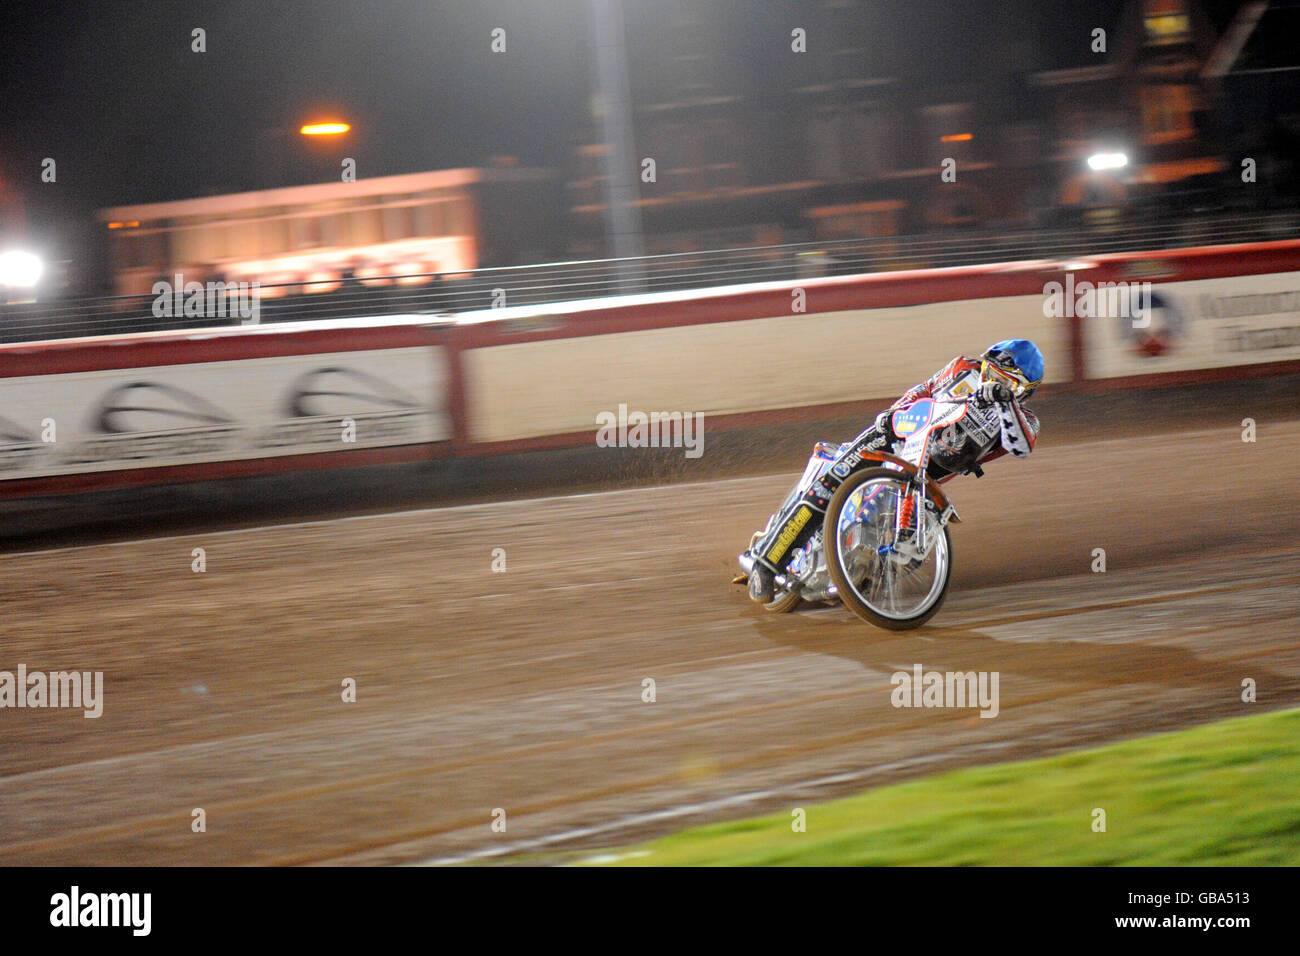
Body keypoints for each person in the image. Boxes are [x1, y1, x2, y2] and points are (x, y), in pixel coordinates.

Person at [747, 338, 1044, 603]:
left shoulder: (1024, 420)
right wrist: (892, 415)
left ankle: (862, 575)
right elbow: (923, 389)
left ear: (1025, 393)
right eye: (992, 376)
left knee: (917, 533)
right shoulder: (962, 367)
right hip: (896, 434)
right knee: (831, 483)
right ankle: (767, 562)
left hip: (926, 474)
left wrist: (1003, 401)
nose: (994, 384)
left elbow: (1022, 447)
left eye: (1010, 385)